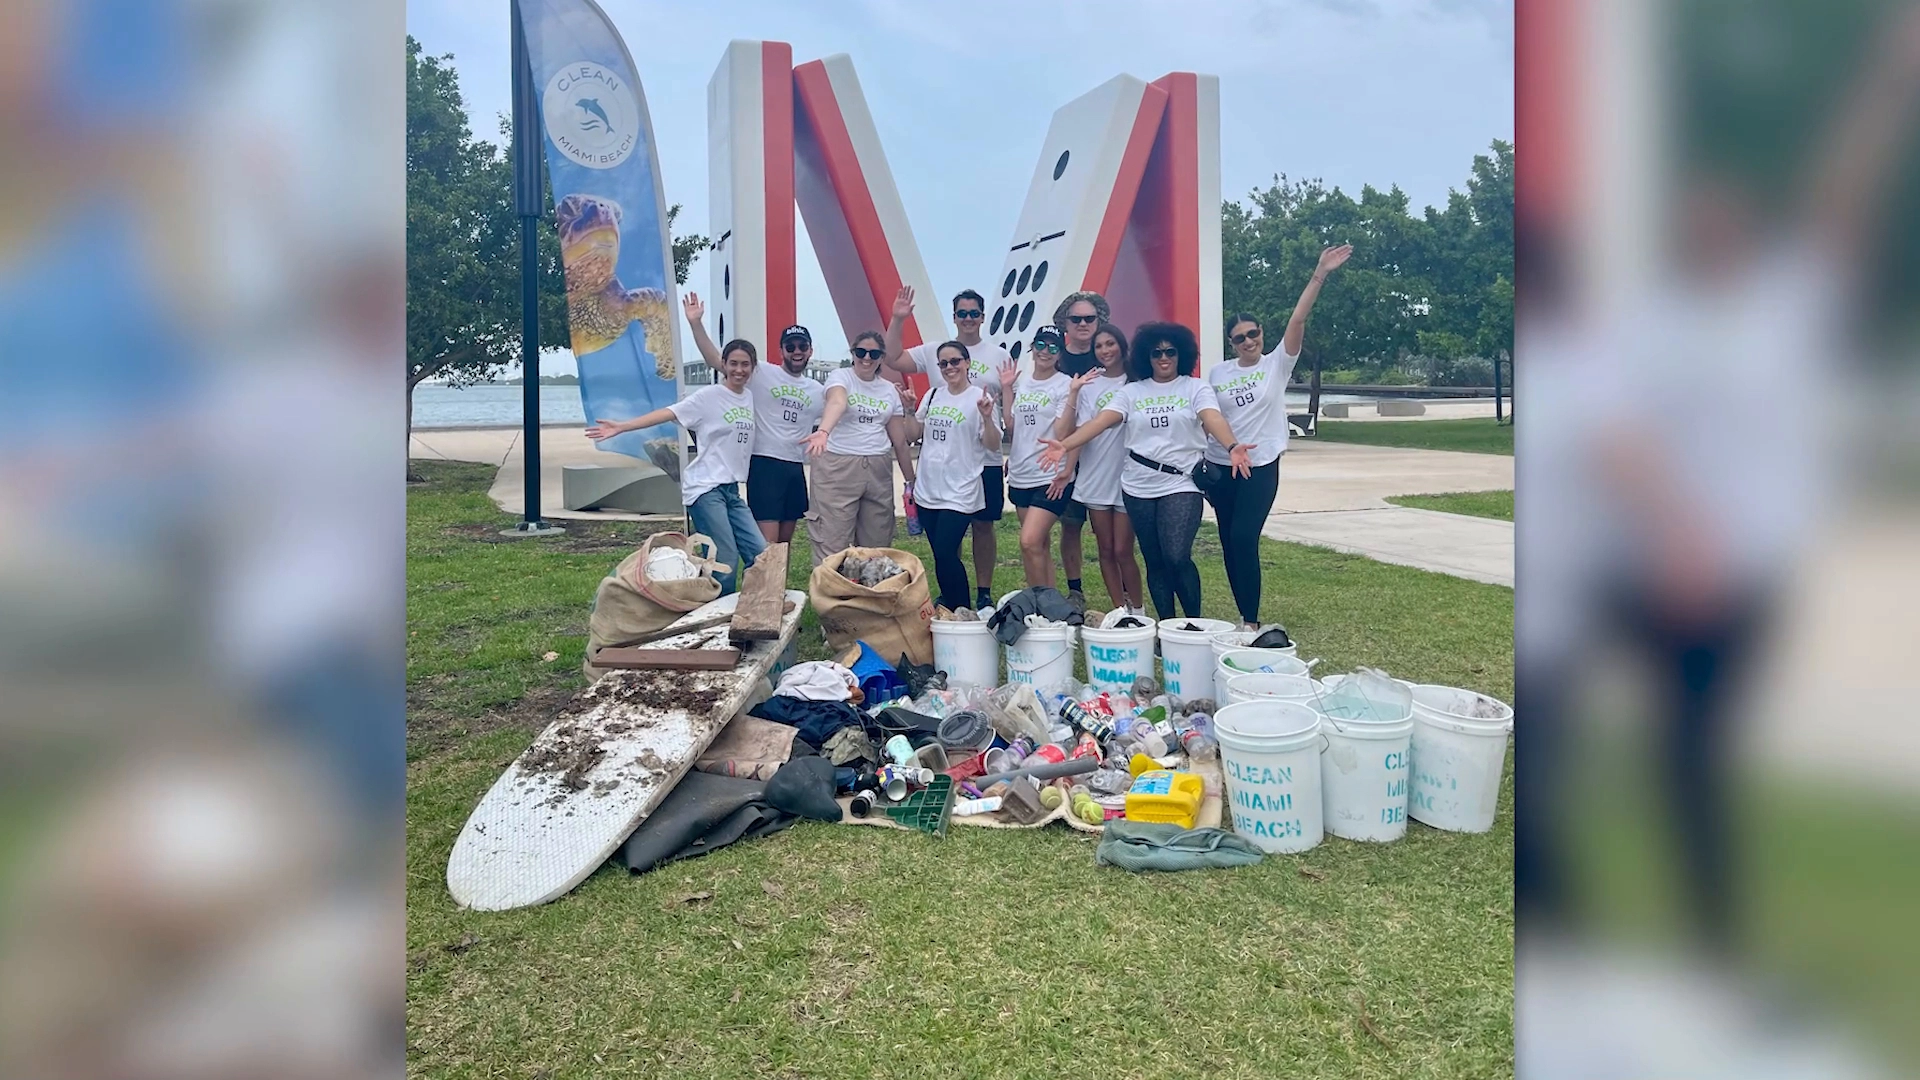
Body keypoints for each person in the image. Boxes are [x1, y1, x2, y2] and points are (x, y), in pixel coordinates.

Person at [1039, 322, 1252, 620]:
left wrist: (1231, 445)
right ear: (1145, 357)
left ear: (1182, 354)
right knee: (1154, 560)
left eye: (1170, 351)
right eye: (1156, 352)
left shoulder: (1194, 387)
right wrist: (1064, 445)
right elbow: (1100, 422)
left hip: (1181, 482)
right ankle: (1165, 626)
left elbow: (1211, 417)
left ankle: (1193, 622)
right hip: (1138, 484)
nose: (1163, 358)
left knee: (1176, 556)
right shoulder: (1132, 392)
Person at [1210, 244, 1352, 630]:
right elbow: (1207, 416)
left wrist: (1320, 272)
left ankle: (1252, 621)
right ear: (1231, 343)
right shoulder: (1218, 373)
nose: (1248, 341)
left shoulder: (1277, 363)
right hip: (1221, 467)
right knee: (1228, 541)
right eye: (1239, 338)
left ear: (1261, 334)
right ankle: (1243, 617)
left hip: (1260, 465)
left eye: (1252, 334)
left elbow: (1298, 319)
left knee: (1243, 537)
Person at [586, 343, 765, 594]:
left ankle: (755, 607)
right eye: (733, 363)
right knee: (725, 559)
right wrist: (622, 427)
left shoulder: (748, 397)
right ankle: (717, 616)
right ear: (723, 364)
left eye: (745, 364)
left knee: (760, 552)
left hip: (731, 490)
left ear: (753, 368)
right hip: (705, 489)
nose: (739, 369)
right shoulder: (709, 396)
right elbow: (668, 413)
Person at [882, 286, 1012, 609]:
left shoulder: (998, 356)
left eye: (974, 313)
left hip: (985, 460)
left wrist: (999, 430)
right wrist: (898, 319)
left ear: (982, 317)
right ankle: (953, 594)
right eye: (962, 313)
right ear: (954, 317)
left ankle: (981, 592)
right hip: (939, 473)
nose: (968, 319)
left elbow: (1009, 405)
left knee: (983, 526)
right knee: (945, 542)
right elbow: (893, 357)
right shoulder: (933, 357)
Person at [681, 294, 825, 545]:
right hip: (764, 464)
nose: (797, 352)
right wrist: (696, 324)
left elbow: (843, 408)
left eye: (802, 346)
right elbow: (717, 360)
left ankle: (777, 586)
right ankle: (762, 585)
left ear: (810, 350)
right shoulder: (761, 373)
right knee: (766, 544)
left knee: (784, 542)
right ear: (782, 350)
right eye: (790, 347)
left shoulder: (817, 390)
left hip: (795, 466)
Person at [800, 330, 917, 567]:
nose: (867, 358)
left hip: (877, 467)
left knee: (877, 543)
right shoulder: (840, 377)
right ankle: (833, 599)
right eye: (860, 352)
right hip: (838, 466)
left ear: (882, 358)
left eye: (874, 353)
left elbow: (899, 442)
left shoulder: (888, 390)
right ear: (852, 353)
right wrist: (824, 431)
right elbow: (837, 402)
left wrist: (911, 482)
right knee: (832, 540)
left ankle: (869, 598)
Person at [899, 342, 1002, 609]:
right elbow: (913, 435)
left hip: (961, 489)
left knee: (946, 551)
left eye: (955, 361)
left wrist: (988, 418)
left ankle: (962, 609)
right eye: (943, 363)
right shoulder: (933, 395)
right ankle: (951, 609)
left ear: (967, 363)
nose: (949, 368)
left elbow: (992, 444)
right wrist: (910, 410)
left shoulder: (980, 398)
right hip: (928, 490)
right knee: (940, 556)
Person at [1054, 321, 1145, 613]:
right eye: (1099, 346)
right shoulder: (1090, 384)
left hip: (1129, 476)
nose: (1105, 350)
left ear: (1122, 345)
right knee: (1105, 549)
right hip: (1095, 476)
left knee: (1123, 550)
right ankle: (1120, 610)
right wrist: (1068, 468)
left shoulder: (1138, 382)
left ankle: (1139, 610)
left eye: (1110, 343)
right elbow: (1079, 431)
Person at [1046, 290, 1111, 609]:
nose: (1084, 324)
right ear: (1064, 324)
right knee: (1071, 526)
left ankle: (1122, 589)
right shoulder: (1055, 358)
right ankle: (1075, 589)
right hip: (1064, 454)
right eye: (1076, 319)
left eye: (1090, 318)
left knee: (1109, 531)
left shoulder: (1108, 356)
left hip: (1106, 457)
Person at [999, 325, 1077, 588]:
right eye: (1041, 345)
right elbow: (1012, 426)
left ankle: (1038, 601)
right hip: (1021, 474)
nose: (1046, 352)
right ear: (1032, 348)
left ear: (1059, 354)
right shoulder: (1024, 383)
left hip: (1050, 475)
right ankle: (1051, 604)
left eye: (1053, 347)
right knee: (1039, 546)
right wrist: (1007, 389)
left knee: (1028, 541)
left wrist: (1074, 395)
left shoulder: (1065, 384)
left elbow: (1063, 431)